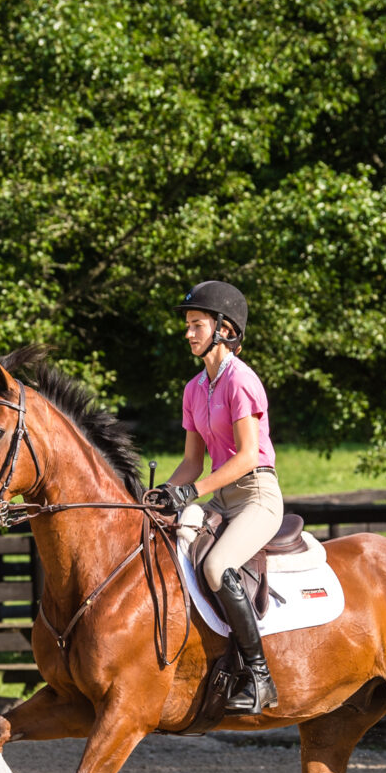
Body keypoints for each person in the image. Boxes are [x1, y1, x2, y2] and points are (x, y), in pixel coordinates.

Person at [145, 280, 281, 714]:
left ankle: (259, 676)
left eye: (196, 324)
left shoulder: (242, 382)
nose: (188, 333)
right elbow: (191, 463)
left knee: (218, 566)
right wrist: (163, 493)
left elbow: (244, 458)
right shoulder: (193, 389)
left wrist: (193, 492)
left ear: (224, 329)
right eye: (187, 325)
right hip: (221, 497)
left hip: (256, 495)